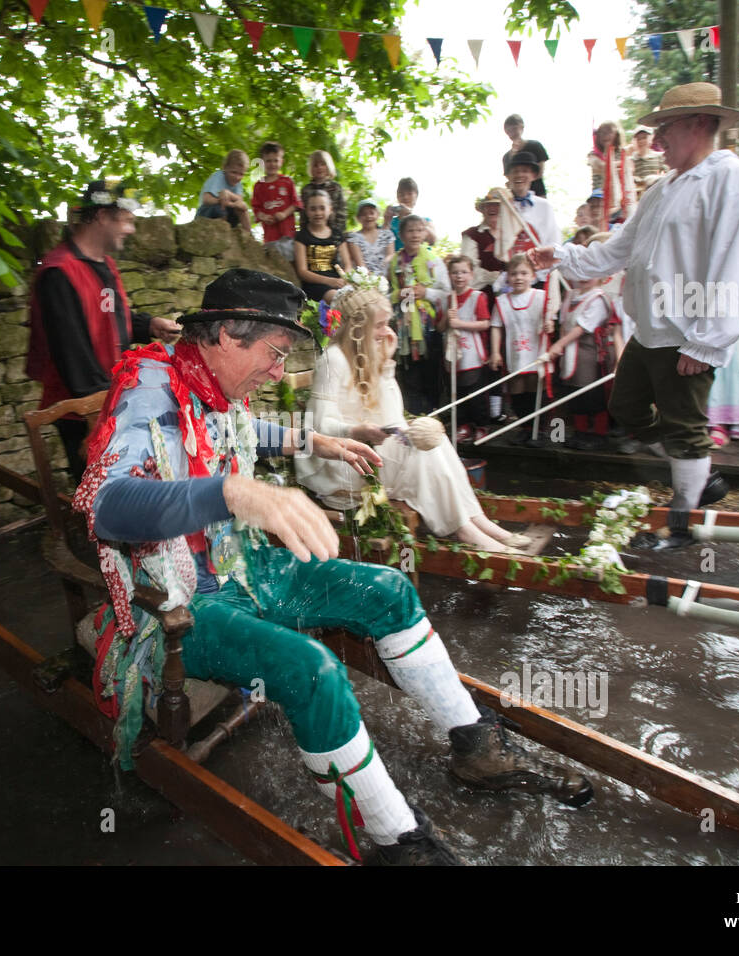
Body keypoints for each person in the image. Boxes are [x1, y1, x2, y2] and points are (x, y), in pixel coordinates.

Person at [78, 268, 593, 865]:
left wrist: (316, 443)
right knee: (313, 669)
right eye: (273, 355)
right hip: (179, 598)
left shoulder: (221, 389)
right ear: (224, 337)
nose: (279, 371)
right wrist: (232, 493)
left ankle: (476, 746)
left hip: (242, 565)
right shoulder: (147, 387)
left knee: (388, 589)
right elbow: (105, 507)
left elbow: (246, 431)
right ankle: (397, 842)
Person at [530, 83, 739, 546]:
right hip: (652, 326)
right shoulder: (662, 187)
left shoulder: (734, 178)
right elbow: (616, 251)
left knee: (684, 426)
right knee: (626, 407)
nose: (657, 140)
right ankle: (698, 472)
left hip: (688, 328)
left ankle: (683, 517)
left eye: (667, 128)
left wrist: (708, 340)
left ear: (700, 123)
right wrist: (559, 255)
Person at [299, 273, 533, 553]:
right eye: (381, 325)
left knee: (435, 441)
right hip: (340, 461)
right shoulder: (332, 359)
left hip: (367, 448)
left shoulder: (372, 351)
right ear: (358, 328)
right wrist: (356, 431)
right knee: (417, 452)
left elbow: (392, 414)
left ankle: (480, 521)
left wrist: (387, 364)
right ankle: (464, 529)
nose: (387, 332)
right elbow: (319, 425)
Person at [27, 180, 182, 480]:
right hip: (84, 414)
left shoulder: (105, 265)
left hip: (113, 406)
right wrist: (117, 410)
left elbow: (109, 318)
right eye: (126, 221)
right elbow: (73, 357)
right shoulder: (58, 273)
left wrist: (148, 324)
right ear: (101, 216)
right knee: (104, 502)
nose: (131, 230)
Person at [548, 267, 623, 450]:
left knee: (592, 394)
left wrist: (559, 344)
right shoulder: (571, 295)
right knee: (575, 394)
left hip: (589, 353)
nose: (584, 277)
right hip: (570, 352)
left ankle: (598, 434)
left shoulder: (598, 298)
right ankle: (581, 432)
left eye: (591, 273)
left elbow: (581, 328)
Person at [389, 214, 451, 412]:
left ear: (425, 232)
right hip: (403, 326)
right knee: (408, 371)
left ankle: (433, 412)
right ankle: (413, 413)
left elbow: (447, 293)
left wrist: (426, 293)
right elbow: (387, 294)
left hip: (429, 325)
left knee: (431, 369)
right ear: (401, 234)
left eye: (419, 230)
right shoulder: (394, 262)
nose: (415, 235)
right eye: (410, 230)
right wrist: (398, 294)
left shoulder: (434, 261)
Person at [489, 255, 554, 444]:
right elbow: (495, 326)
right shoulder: (502, 301)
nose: (519, 277)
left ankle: (539, 429)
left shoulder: (542, 296)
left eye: (524, 273)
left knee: (536, 389)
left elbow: (551, 319)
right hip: (515, 353)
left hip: (537, 351)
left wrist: (549, 324)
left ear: (533, 276)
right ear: (507, 277)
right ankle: (525, 427)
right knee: (517, 391)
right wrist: (495, 352)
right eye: (514, 273)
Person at [438, 254, 495, 440]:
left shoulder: (478, 297)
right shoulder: (446, 299)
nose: (459, 276)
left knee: (475, 391)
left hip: (472, 352)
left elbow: (485, 323)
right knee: (458, 391)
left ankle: (481, 425)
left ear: (471, 274)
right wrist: (448, 317)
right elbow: (439, 327)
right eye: (455, 273)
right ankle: (463, 424)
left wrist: (460, 324)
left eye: (464, 272)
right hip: (451, 352)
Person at [503, 152, 561, 282]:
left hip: (538, 275)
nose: (519, 175)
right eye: (515, 171)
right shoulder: (503, 206)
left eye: (524, 171)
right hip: (511, 277)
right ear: (508, 176)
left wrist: (541, 271)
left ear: (533, 176)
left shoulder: (544, 206)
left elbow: (554, 241)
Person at [294, 191, 349, 304]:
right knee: (340, 299)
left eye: (322, 208)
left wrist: (346, 278)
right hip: (315, 285)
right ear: (307, 211)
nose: (318, 212)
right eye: (313, 209)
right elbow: (302, 271)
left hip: (338, 281)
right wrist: (329, 281)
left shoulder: (337, 234)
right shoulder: (302, 236)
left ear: (330, 209)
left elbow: (347, 264)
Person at [251, 141, 301, 262]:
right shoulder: (259, 186)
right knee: (274, 264)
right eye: (268, 161)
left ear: (281, 161)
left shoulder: (287, 182)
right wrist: (264, 216)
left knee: (289, 263)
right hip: (270, 236)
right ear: (262, 163)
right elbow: (256, 209)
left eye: (275, 160)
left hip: (287, 234)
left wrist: (284, 214)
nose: (272, 164)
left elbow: (296, 203)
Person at [587, 121, 636, 224]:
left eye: (609, 132)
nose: (605, 135)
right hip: (600, 198)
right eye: (602, 132)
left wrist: (616, 166)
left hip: (622, 198)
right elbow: (601, 166)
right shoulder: (594, 154)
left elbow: (629, 169)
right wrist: (618, 165)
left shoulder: (623, 153)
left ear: (616, 134)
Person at [196, 149, 252, 229]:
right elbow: (206, 199)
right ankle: (222, 234)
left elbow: (240, 200)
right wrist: (223, 200)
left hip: (226, 211)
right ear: (225, 167)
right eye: (234, 172)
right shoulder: (218, 177)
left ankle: (249, 235)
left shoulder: (238, 183)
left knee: (242, 208)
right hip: (207, 212)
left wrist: (228, 194)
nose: (237, 177)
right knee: (219, 209)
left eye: (241, 174)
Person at [300, 150, 347, 236]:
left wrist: (339, 233)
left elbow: (342, 212)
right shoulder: (306, 190)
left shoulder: (336, 188)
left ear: (328, 166)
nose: (319, 168)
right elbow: (303, 215)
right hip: (312, 233)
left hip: (333, 232)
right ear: (311, 168)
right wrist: (304, 234)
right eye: (315, 165)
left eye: (323, 164)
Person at [384, 177, 438, 250]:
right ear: (397, 197)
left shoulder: (426, 221)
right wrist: (386, 222)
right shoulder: (391, 223)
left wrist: (410, 214)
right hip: (398, 260)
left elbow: (433, 241)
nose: (405, 197)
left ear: (416, 196)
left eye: (409, 194)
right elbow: (380, 245)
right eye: (401, 194)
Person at [502, 114, 549, 197]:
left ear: (522, 127)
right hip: (515, 198)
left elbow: (540, 172)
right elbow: (509, 178)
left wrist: (525, 183)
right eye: (508, 130)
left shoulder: (535, 146)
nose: (512, 133)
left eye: (514, 128)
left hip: (538, 193)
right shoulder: (506, 157)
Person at [345, 199, 395, 276]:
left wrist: (384, 273)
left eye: (372, 213)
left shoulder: (387, 234)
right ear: (358, 218)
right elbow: (360, 265)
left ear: (378, 214)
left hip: (387, 277)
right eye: (364, 214)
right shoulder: (354, 238)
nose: (368, 216)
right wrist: (372, 281)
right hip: (365, 279)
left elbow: (390, 255)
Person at [629, 126, 668, 199]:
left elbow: (668, 175)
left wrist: (656, 178)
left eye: (644, 138)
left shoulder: (659, 156)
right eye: (638, 139)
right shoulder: (630, 160)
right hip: (638, 198)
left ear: (650, 138)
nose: (641, 141)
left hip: (656, 196)